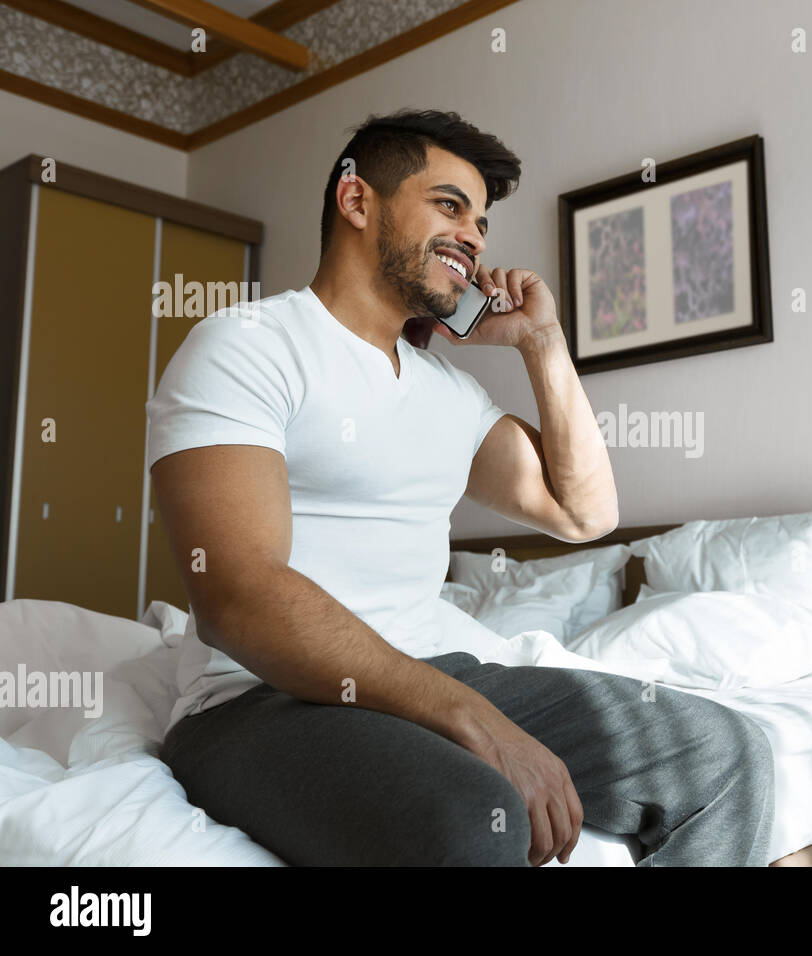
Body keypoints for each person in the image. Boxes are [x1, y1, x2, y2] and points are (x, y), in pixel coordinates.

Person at [147, 108, 775, 866]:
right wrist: (469, 717)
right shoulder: (248, 347)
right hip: (261, 700)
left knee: (727, 753)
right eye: (450, 206)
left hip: (434, 675)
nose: (475, 238)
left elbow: (586, 514)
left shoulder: (447, 395)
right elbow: (237, 594)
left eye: (481, 221)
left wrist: (542, 344)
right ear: (356, 202)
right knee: (482, 818)